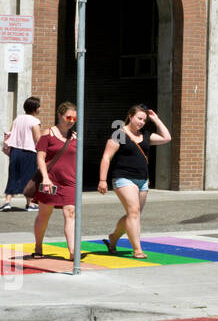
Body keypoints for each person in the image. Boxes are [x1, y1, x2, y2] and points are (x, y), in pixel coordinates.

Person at [97, 105, 172, 260]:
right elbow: (106, 157)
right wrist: (102, 180)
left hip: (143, 181)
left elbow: (167, 138)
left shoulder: (145, 135)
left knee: (134, 214)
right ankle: (137, 249)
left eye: (144, 120)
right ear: (130, 116)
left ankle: (113, 238)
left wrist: (156, 120)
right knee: (134, 212)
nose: (142, 122)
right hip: (123, 178)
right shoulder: (119, 134)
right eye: (139, 118)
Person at [31, 102, 79, 259]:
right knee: (44, 214)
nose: (71, 120)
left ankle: (73, 252)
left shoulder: (75, 136)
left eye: (74, 117)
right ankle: (38, 247)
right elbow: (40, 156)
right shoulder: (48, 134)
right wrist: (45, 178)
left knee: (70, 213)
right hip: (50, 180)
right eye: (68, 117)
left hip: (70, 181)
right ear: (60, 115)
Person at [0, 96, 43, 211]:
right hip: (29, 152)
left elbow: (10, 132)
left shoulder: (18, 118)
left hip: (15, 151)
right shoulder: (35, 121)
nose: (40, 109)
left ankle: (7, 202)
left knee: (13, 175)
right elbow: (38, 139)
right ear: (35, 108)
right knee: (30, 178)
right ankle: (30, 204)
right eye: (39, 106)